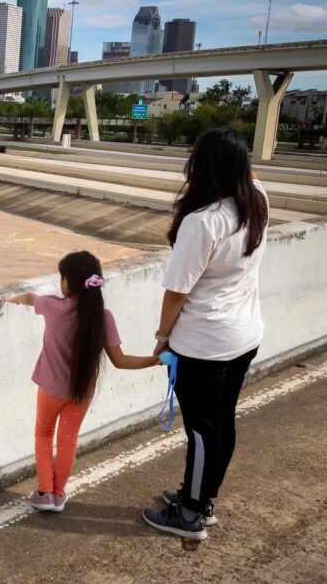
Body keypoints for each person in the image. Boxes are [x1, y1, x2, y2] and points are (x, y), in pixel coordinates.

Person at [143, 126, 270, 541]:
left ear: (201, 167)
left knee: (201, 430)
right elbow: (248, 178)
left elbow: (176, 292)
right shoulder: (256, 202)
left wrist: (163, 336)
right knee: (220, 424)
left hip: (203, 344)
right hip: (243, 337)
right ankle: (202, 497)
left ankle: (191, 514)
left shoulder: (202, 223)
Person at [5, 251, 160, 513]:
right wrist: (156, 360)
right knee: (68, 441)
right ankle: (59, 493)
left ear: (68, 282)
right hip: (81, 393)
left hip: (50, 389)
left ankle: (45, 493)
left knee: (43, 435)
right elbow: (120, 361)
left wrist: (11, 299)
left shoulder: (53, 307)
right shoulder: (104, 316)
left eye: (61, 278)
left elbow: (31, 298)